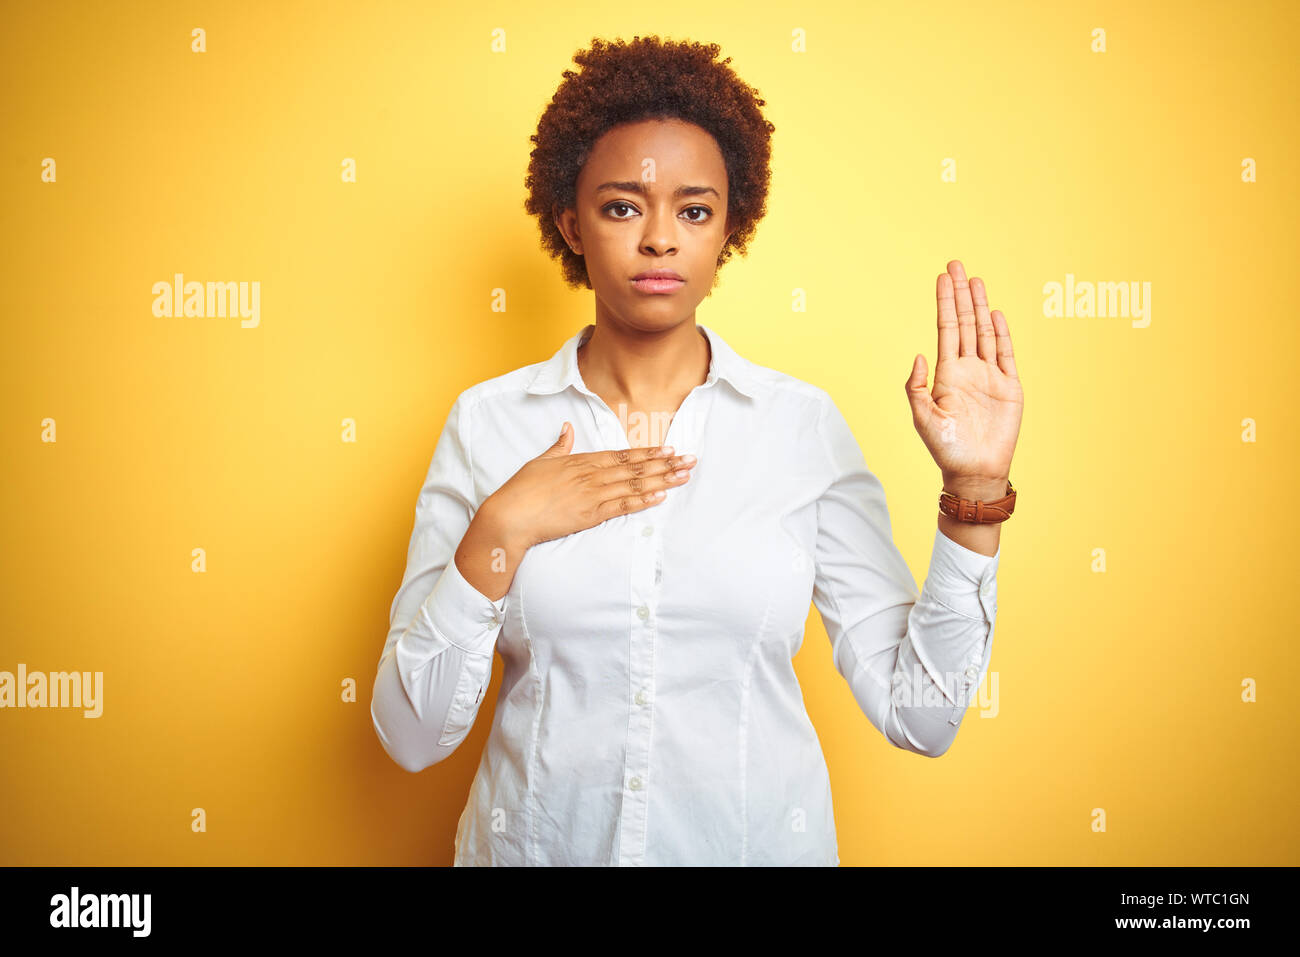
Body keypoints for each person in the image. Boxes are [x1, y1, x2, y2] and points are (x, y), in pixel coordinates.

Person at [370, 35, 1024, 866]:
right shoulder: (487, 424)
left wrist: (976, 490)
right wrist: (502, 527)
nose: (657, 240)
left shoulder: (800, 428)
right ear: (570, 222)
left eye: (693, 209)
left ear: (729, 230)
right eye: (620, 207)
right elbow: (409, 734)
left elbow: (921, 714)